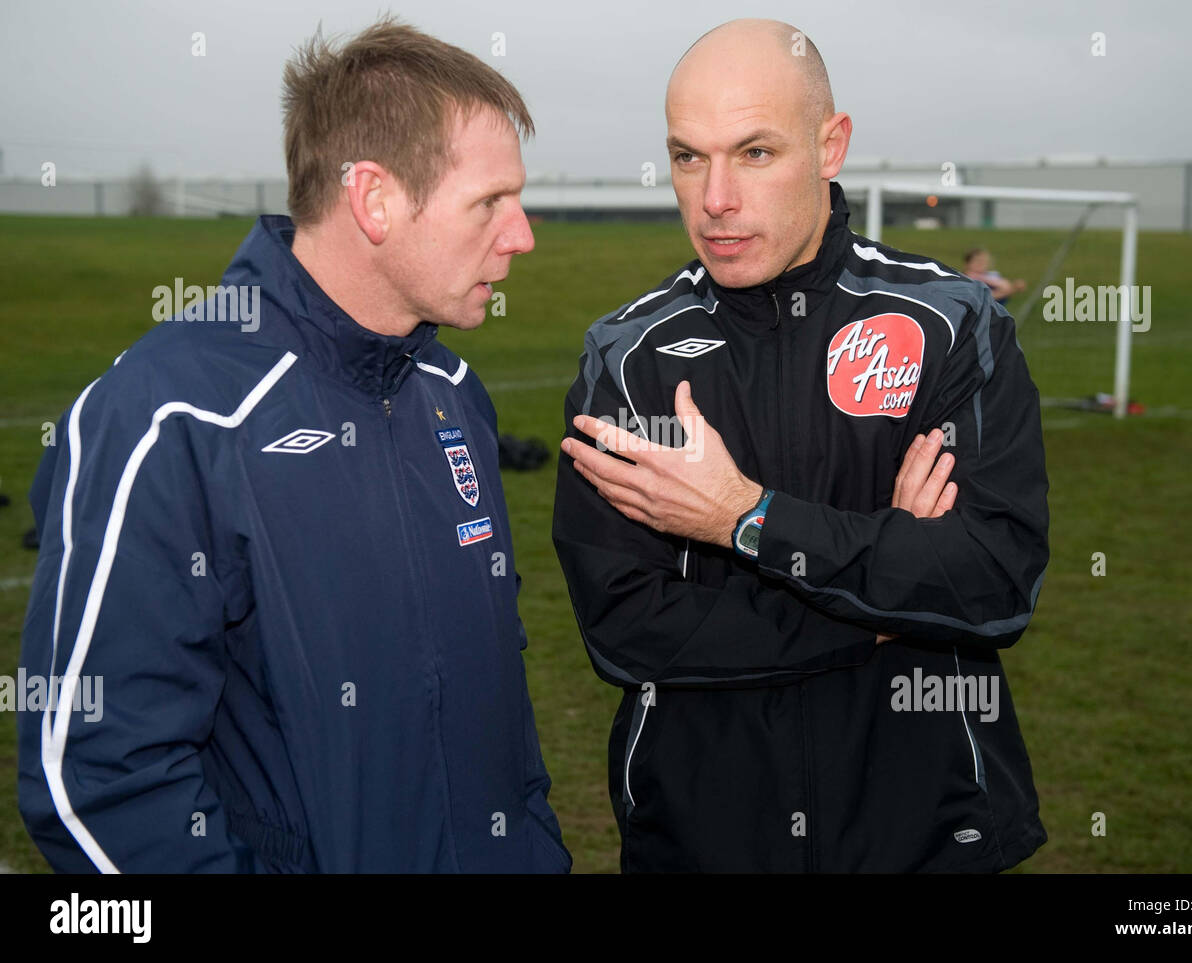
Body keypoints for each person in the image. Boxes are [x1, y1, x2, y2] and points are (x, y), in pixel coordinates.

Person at [17, 17, 570, 873]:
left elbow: (496, 710)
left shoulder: (453, 396)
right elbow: (96, 779)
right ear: (375, 199)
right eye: (490, 202)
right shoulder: (172, 418)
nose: (522, 234)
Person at [553, 18, 1050, 872]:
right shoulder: (629, 360)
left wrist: (745, 519)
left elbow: (992, 582)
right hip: (705, 843)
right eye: (686, 157)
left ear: (831, 146)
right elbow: (626, 630)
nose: (713, 199)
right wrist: (881, 600)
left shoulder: (950, 326)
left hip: (926, 838)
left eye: (753, 153)